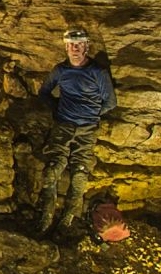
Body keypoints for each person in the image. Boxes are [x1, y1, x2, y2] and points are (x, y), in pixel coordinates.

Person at [33, 28, 117, 238]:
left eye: (79, 45)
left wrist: (91, 114)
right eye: (71, 45)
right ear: (66, 47)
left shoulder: (97, 73)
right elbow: (44, 92)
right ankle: (46, 217)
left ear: (86, 46)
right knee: (53, 168)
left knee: (79, 173)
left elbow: (110, 102)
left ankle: (68, 218)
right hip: (64, 125)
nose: (75, 49)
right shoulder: (61, 71)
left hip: (87, 129)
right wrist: (59, 109)